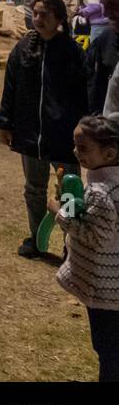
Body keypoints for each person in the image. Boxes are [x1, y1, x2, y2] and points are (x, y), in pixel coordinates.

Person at [0, 0, 86, 258]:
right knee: (33, 189)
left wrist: (82, 130)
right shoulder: (23, 49)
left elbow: (83, 94)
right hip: (29, 134)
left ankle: (72, 245)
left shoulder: (72, 52)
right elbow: (10, 86)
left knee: (69, 190)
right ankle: (37, 239)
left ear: (59, 19)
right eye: (35, 13)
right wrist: (5, 122)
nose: (38, 19)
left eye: (45, 14)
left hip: (62, 135)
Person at [50, 115, 119, 381]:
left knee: (107, 349)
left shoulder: (100, 192)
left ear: (109, 152)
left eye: (83, 148)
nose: (75, 152)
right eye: (75, 145)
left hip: (106, 287)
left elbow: (95, 236)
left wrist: (59, 213)